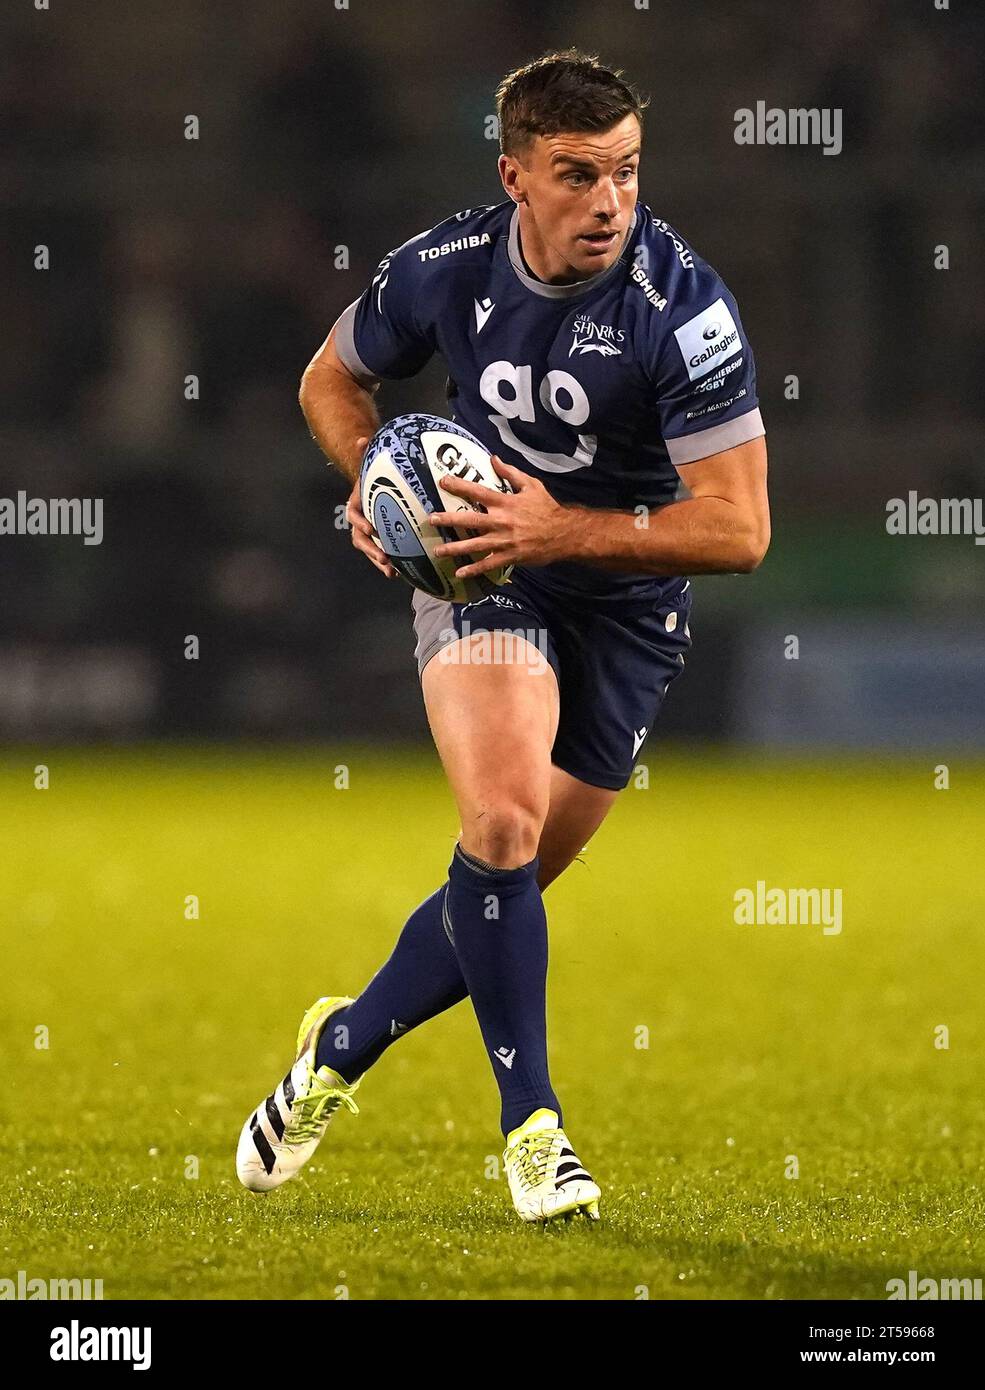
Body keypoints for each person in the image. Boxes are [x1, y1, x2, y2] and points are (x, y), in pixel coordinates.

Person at [237, 49, 770, 1224]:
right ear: (515, 177)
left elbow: (738, 532)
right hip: (488, 568)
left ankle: (341, 1043)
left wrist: (561, 527)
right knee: (500, 820)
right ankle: (535, 1129)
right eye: (579, 175)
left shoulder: (684, 310)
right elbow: (329, 381)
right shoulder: (443, 267)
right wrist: (372, 479)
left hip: (627, 601)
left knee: (509, 880)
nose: (610, 202)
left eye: (627, 172)